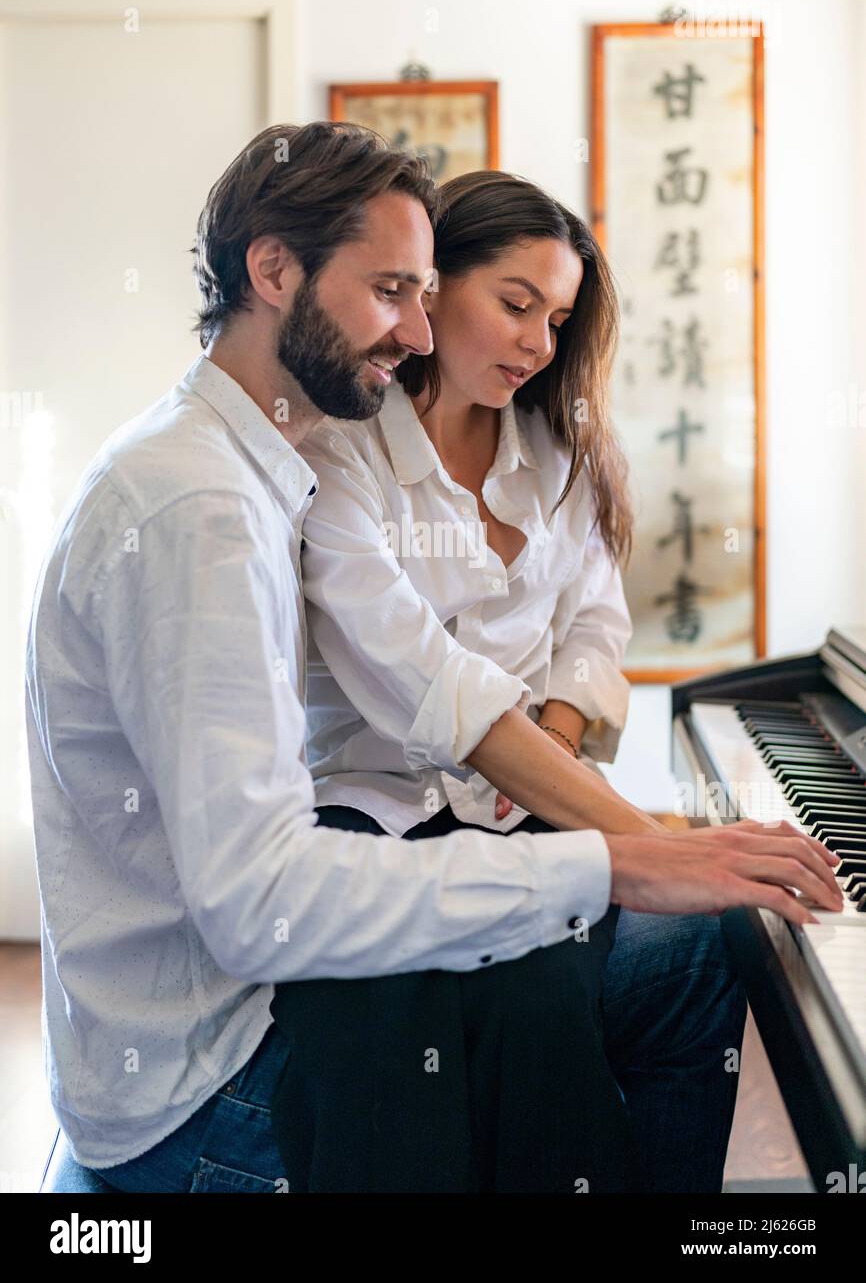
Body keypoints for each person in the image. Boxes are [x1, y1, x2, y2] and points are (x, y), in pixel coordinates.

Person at [25, 121, 842, 1194]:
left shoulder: (252, 465)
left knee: (671, 952)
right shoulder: (201, 507)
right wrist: (613, 854)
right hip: (211, 1073)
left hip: (247, 986)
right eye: (392, 292)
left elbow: (584, 635)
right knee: (565, 986)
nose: (414, 334)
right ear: (273, 269)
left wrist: (602, 839)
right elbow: (268, 892)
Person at [268, 168, 844, 1192]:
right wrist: (647, 834)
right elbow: (421, 672)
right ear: (433, 287)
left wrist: (560, 736)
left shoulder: (560, 452)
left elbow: (592, 621)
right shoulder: (342, 455)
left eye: (558, 316)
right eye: (516, 303)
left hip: (537, 801)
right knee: (525, 1009)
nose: (538, 341)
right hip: (375, 811)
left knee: (586, 978)